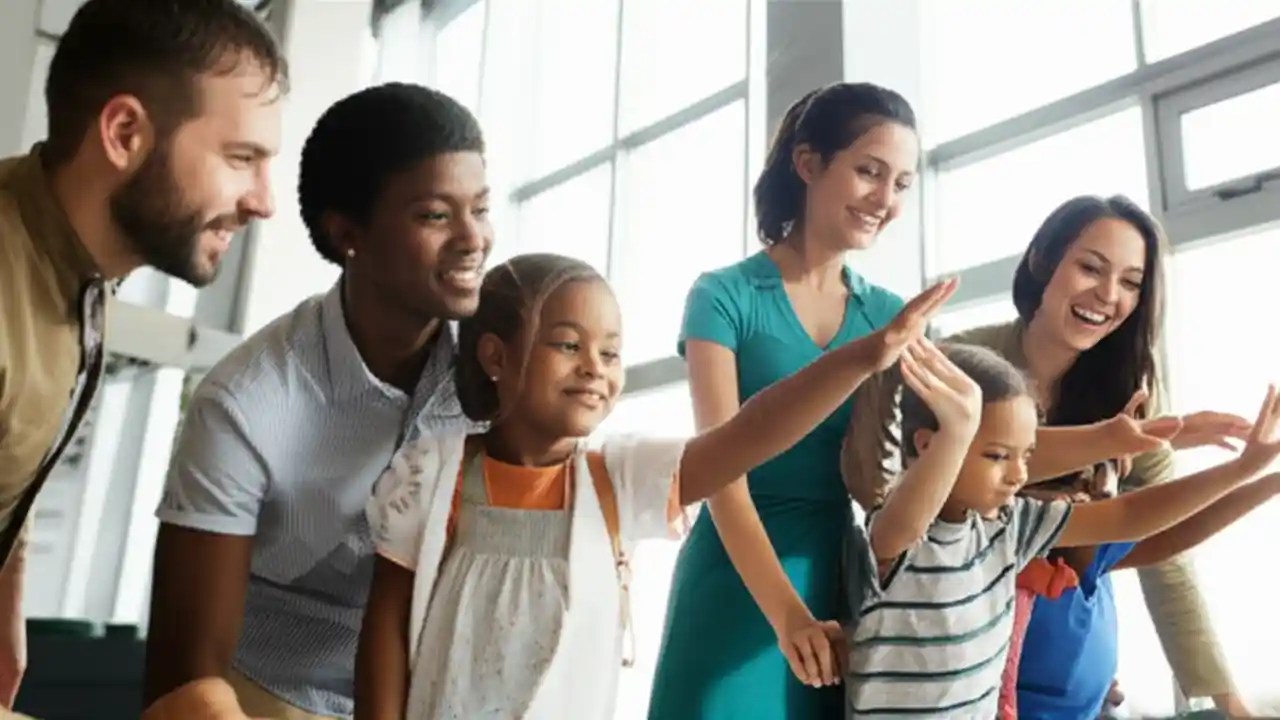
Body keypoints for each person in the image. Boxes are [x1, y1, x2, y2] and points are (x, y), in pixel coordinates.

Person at [353, 253, 956, 719]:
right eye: (568, 344)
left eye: (611, 353)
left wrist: (862, 357)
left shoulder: (615, 478)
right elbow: (383, 636)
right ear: (495, 355)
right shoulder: (430, 477)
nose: (595, 367)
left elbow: (747, 434)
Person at [142, 83, 487, 720]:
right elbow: (185, 682)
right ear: (347, 233)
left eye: (481, 209)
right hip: (269, 697)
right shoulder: (245, 404)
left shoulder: (499, 364)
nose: (473, 239)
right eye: (436, 215)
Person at [0, 0, 283, 708]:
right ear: (124, 133)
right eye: (240, 158)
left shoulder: (72, 276)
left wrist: (7, 612)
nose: (264, 201)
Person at [647, 82, 921, 719]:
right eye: (869, 172)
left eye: (902, 183)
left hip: (831, 582)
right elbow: (719, 472)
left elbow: (934, 456)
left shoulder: (888, 316)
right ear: (807, 164)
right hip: (733, 578)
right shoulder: (723, 296)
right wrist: (788, 616)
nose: (886, 200)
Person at [838, 339, 1280, 717]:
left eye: (1026, 455)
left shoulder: (1010, 526)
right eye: (996, 456)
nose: (1017, 475)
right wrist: (957, 429)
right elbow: (905, 521)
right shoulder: (895, 532)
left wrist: (1242, 471)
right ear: (928, 444)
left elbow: (1131, 517)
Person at [948, 195, 1253, 715]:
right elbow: (921, 501)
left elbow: (1159, 544)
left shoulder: (1131, 393)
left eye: (1132, 282)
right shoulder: (962, 365)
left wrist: (1228, 700)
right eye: (1090, 267)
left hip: (1074, 676)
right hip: (962, 670)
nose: (1107, 295)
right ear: (1043, 260)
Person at [1015, 459, 1280, 718]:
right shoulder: (1024, 588)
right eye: (1093, 491)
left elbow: (1177, 528)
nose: (1108, 498)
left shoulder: (1094, 558)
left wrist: (1270, 482)